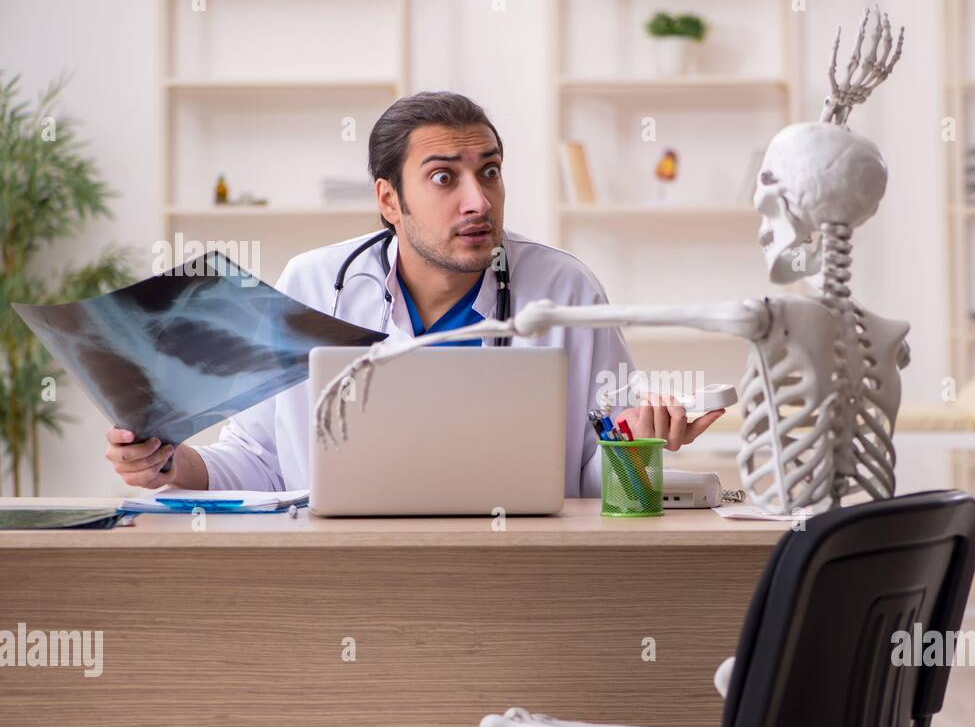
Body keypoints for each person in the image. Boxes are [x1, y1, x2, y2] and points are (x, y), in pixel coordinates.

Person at [105, 92, 724, 496]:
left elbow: (593, 482)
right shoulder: (313, 285)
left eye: (489, 170)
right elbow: (259, 461)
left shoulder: (565, 289)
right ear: (388, 201)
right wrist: (167, 466)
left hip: (519, 577)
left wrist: (638, 449)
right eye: (442, 177)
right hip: (340, 575)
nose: (479, 200)